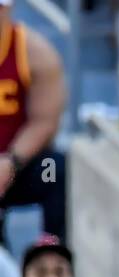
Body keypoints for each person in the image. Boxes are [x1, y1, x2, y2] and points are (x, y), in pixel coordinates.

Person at [0, 1, 67, 244]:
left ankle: (52, 248)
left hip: (17, 166)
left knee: (55, 169)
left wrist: (11, 162)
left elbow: (45, 122)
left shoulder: (34, 52)